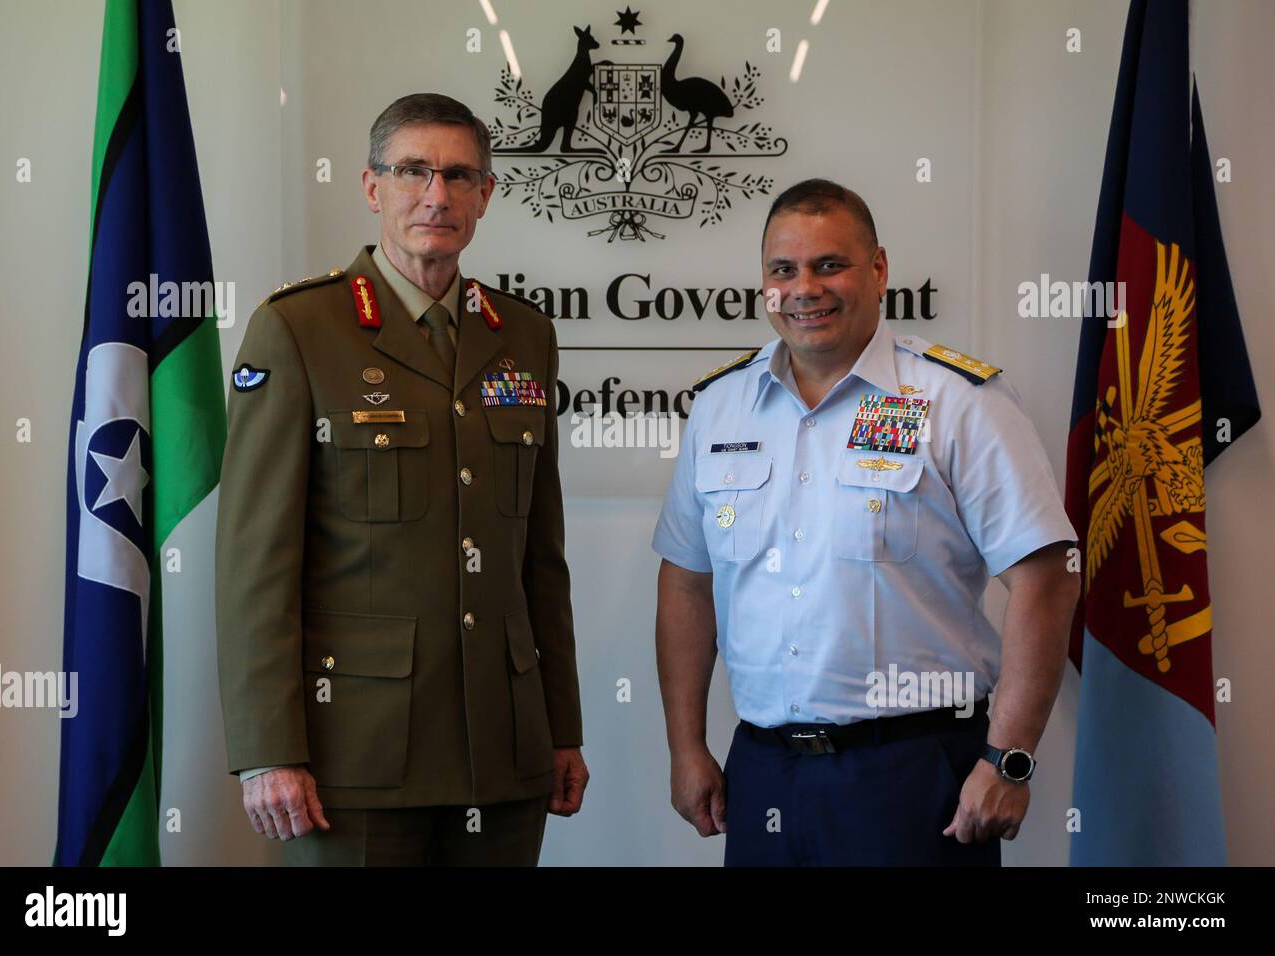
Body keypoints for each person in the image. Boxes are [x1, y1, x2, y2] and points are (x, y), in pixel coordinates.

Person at [652, 179, 1080, 866]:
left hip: (912, 776)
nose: (804, 289)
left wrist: (1010, 759)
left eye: (830, 265)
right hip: (762, 770)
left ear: (878, 270)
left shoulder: (956, 400)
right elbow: (685, 582)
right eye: (782, 270)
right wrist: (686, 745)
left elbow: (1047, 575)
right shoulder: (720, 407)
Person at [215, 93, 587, 866]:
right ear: (371, 185)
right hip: (354, 755)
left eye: (459, 176)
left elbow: (540, 560)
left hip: (504, 746)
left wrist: (561, 728)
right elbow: (257, 565)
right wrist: (267, 750)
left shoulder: (523, 333)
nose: (436, 195)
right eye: (413, 170)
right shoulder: (298, 330)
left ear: (486, 194)